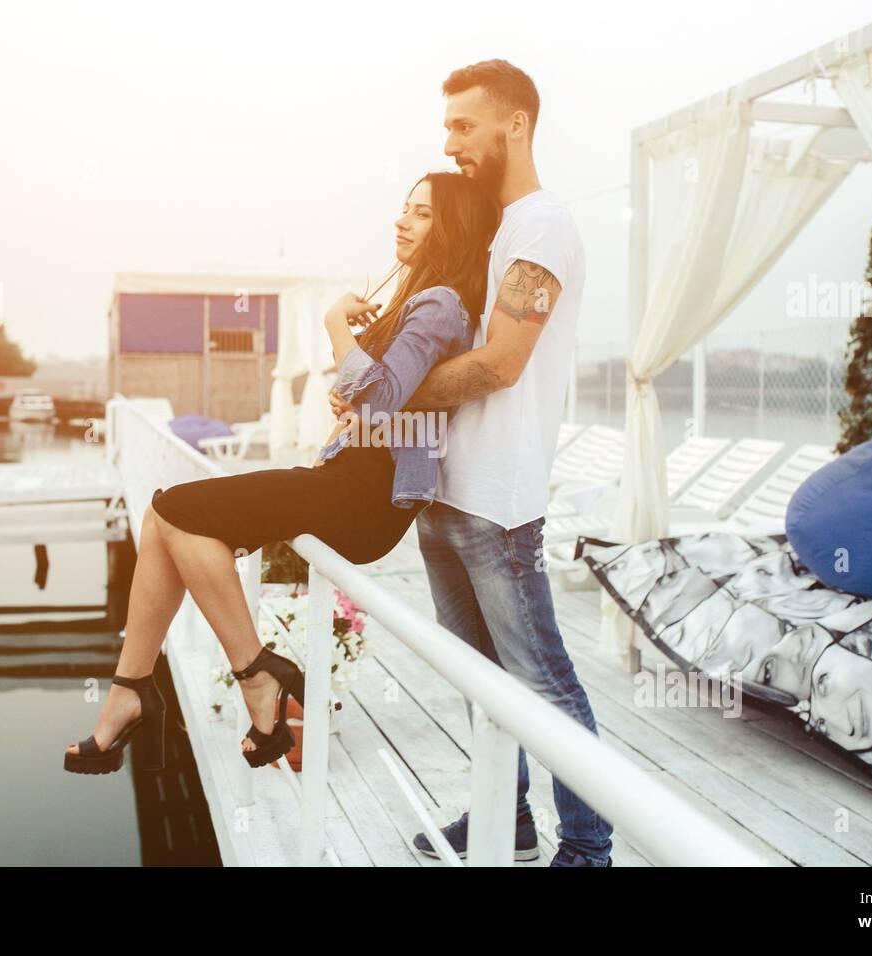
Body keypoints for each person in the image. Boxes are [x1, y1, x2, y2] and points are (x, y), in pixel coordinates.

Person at [63, 170, 500, 775]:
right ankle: (131, 688)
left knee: (172, 510)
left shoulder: (441, 303)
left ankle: (253, 676)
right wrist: (352, 402)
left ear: (452, 227)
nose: (402, 220)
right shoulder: (423, 300)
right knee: (163, 521)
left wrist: (334, 326)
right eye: (404, 209)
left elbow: (378, 397)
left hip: (364, 499)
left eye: (422, 213)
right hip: (346, 482)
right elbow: (383, 398)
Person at [334, 59, 615, 867]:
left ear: (514, 125)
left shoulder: (543, 226)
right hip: (444, 491)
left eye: (464, 125)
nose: (450, 141)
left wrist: (387, 392)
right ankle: (510, 818)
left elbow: (500, 364)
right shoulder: (497, 229)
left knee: (542, 683)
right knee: (477, 679)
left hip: (500, 503)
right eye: (448, 125)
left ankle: (589, 848)